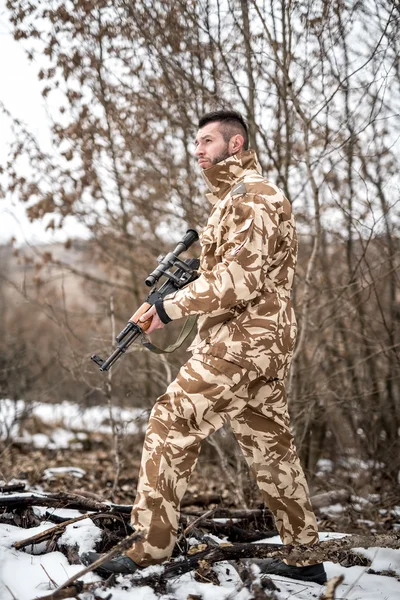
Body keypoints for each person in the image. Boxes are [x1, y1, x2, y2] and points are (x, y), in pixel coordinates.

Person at [83, 110, 326, 584]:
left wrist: (170, 307)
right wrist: (177, 295)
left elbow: (238, 280)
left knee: (171, 420)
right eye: (195, 143)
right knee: (271, 449)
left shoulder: (252, 196)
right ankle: (305, 556)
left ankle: (149, 549)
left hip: (241, 344)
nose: (198, 150)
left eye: (207, 141)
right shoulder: (233, 201)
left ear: (235, 145)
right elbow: (226, 273)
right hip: (255, 344)